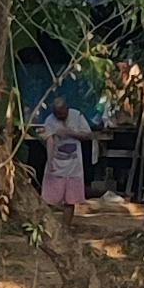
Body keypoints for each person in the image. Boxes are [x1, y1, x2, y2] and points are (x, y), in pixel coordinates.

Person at [34, 90, 96, 220]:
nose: (60, 117)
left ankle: (66, 227)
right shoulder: (49, 120)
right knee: (49, 199)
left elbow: (88, 135)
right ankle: (47, 225)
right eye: (57, 115)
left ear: (66, 109)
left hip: (74, 166)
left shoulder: (77, 116)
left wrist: (70, 133)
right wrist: (50, 162)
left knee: (70, 200)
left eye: (62, 114)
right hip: (56, 164)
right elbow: (49, 141)